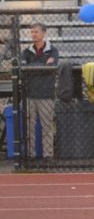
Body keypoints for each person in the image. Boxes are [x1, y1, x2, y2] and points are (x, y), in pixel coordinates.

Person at [22, 22, 58, 159]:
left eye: (36, 32)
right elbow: (24, 70)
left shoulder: (53, 50)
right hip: (29, 94)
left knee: (47, 126)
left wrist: (33, 68)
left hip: (46, 94)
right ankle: (30, 155)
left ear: (44, 33)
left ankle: (48, 155)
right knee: (29, 127)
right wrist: (43, 65)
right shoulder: (26, 52)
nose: (33, 34)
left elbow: (52, 68)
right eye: (32, 32)